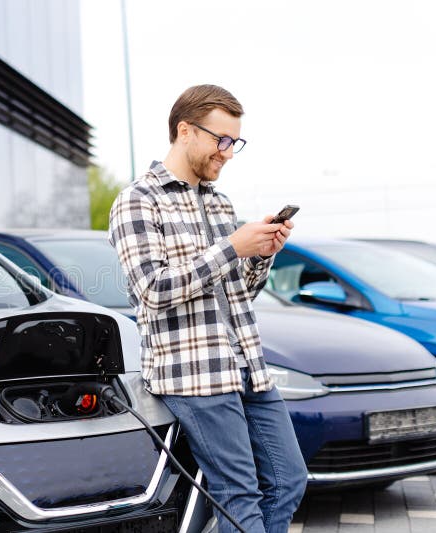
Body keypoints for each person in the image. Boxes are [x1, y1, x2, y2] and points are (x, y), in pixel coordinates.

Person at [108, 84, 307, 533]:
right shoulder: (138, 200)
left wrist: (261, 254)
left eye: (234, 143)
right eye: (221, 141)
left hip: (247, 366)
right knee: (239, 496)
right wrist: (232, 247)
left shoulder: (219, 202)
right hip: (193, 374)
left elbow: (240, 293)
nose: (228, 153)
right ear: (185, 131)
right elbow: (152, 290)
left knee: (289, 480)